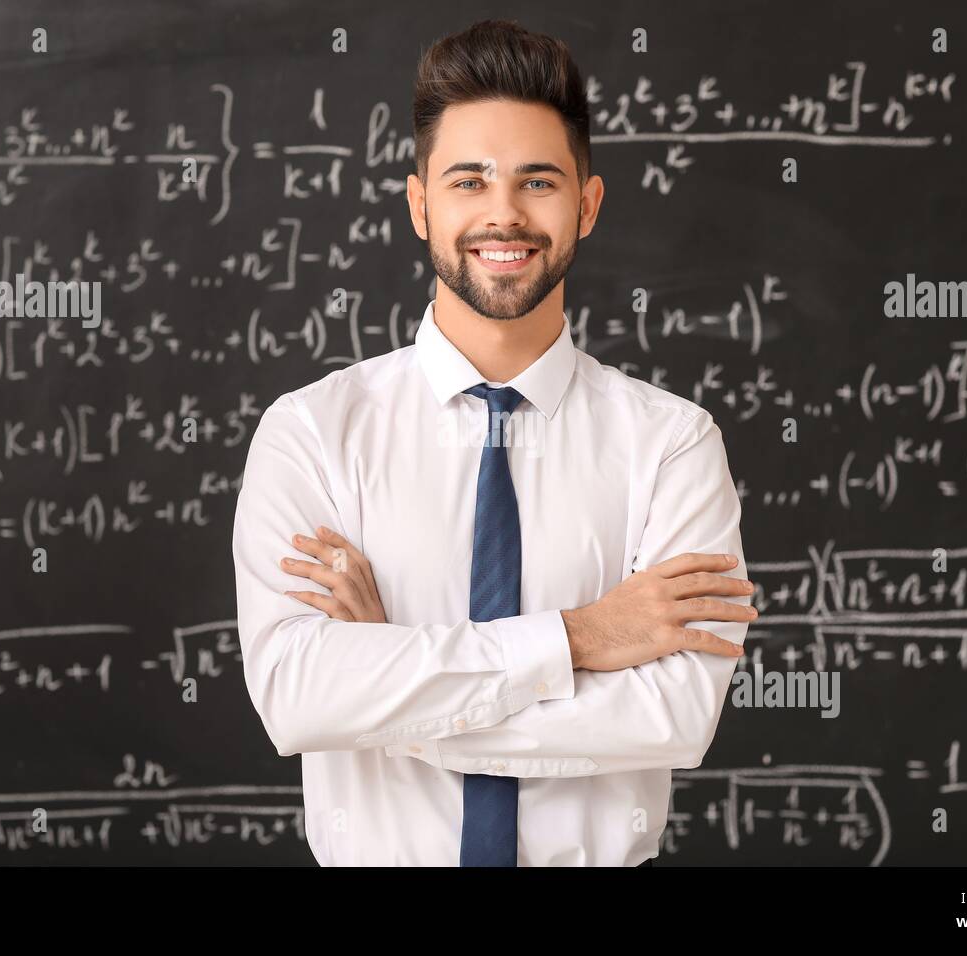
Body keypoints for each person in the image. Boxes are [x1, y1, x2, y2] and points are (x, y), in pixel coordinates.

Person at [232, 18, 756, 867]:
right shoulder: (311, 434)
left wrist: (395, 704)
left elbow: (672, 720)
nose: (503, 214)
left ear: (586, 204)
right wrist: (582, 638)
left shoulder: (674, 446)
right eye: (468, 181)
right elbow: (298, 697)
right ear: (420, 204)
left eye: (537, 181)